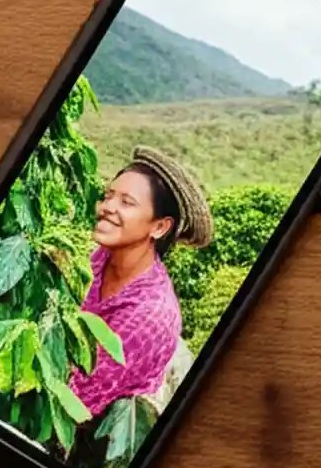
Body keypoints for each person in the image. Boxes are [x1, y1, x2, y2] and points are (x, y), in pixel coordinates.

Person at [69, 146, 213, 417]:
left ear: (159, 227)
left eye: (127, 202)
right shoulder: (101, 257)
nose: (107, 207)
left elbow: (78, 397)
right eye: (108, 196)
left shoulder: (150, 315)